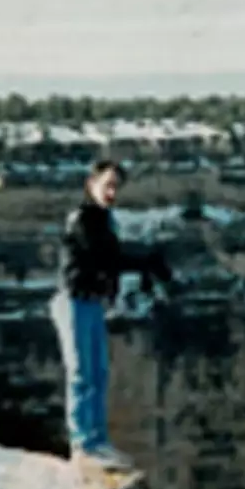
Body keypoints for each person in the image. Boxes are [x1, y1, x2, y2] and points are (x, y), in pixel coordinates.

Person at [51, 159, 172, 471]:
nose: (112, 191)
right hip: (74, 301)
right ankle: (84, 444)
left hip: (91, 302)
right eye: (107, 184)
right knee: (81, 374)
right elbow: (106, 257)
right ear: (91, 184)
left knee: (98, 373)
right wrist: (145, 262)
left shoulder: (104, 220)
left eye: (116, 186)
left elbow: (110, 258)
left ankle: (98, 440)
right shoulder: (84, 219)